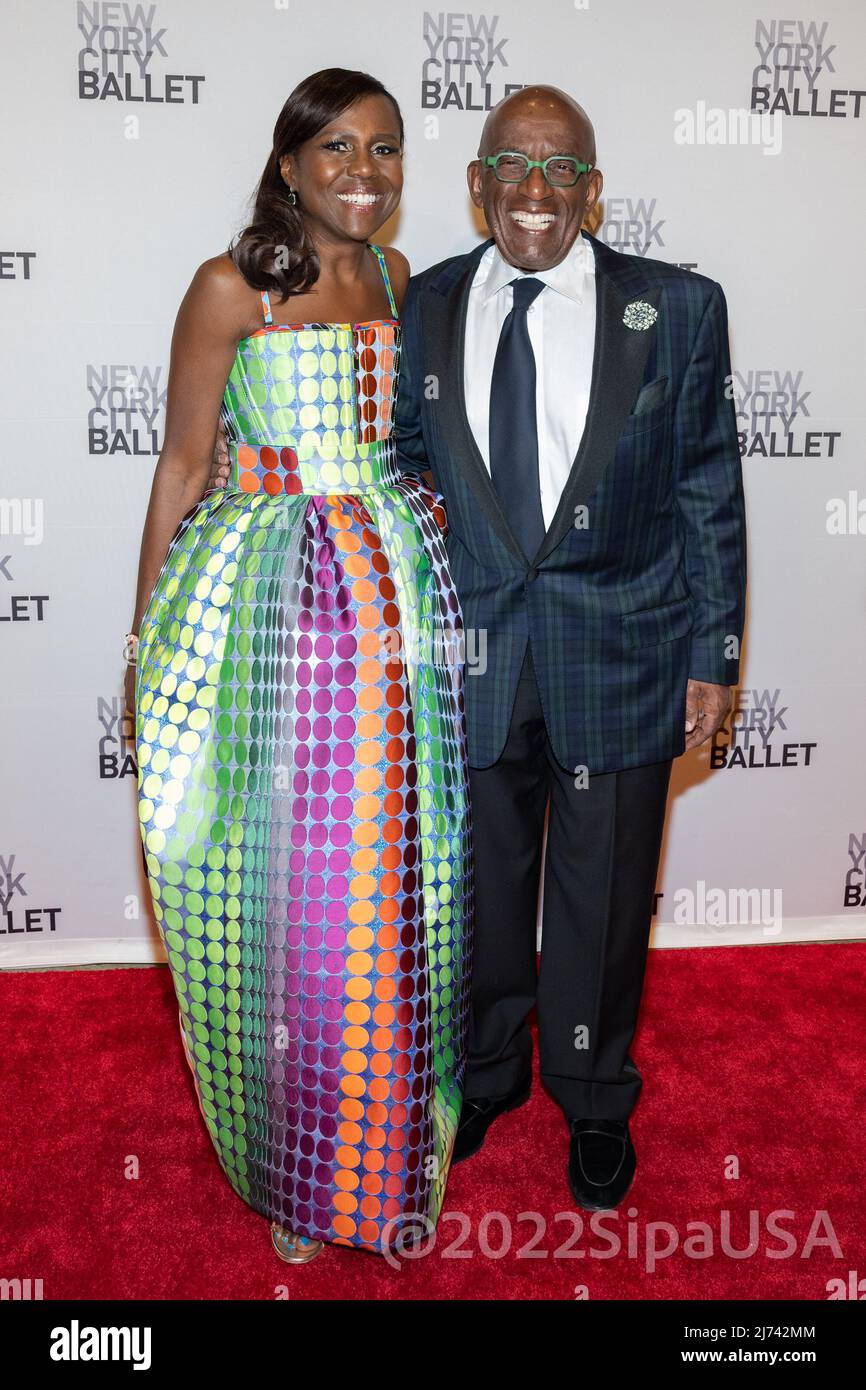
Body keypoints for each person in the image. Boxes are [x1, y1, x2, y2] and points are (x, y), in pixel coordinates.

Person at [124, 68, 473, 1264]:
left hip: (383, 597)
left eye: (382, 149)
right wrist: (145, 645)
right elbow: (180, 466)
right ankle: (294, 1164)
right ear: (287, 164)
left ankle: (378, 1152)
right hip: (266, 608)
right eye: (334, 148)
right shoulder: (230, 288)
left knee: (384, 886)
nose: (361, 172)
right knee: (286, 898)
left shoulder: (396, 277)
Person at [393, 87, 747, 1210]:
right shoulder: (427, 305)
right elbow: (402, 473)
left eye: (559, 171)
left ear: (592, 191)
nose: (533, 192)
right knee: (481, 888)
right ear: (478, 184)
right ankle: (489, 1074)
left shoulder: (676, 308)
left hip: (626, 648)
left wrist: (713, 648)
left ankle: (593, 1095)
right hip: (472, 652)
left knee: (599, 900)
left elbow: (707, 483)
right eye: (510, 165)